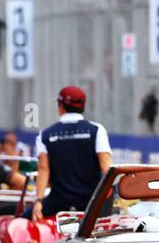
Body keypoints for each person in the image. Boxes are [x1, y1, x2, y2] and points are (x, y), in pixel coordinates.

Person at [31, 86, 112, 221]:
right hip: (91, 204)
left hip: (58, 203)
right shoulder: (97, 130)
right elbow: (106, 169)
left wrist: (38, 202)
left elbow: (43, 169)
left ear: (60, 106)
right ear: (83, 106)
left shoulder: (45, 134)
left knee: (21, 219)